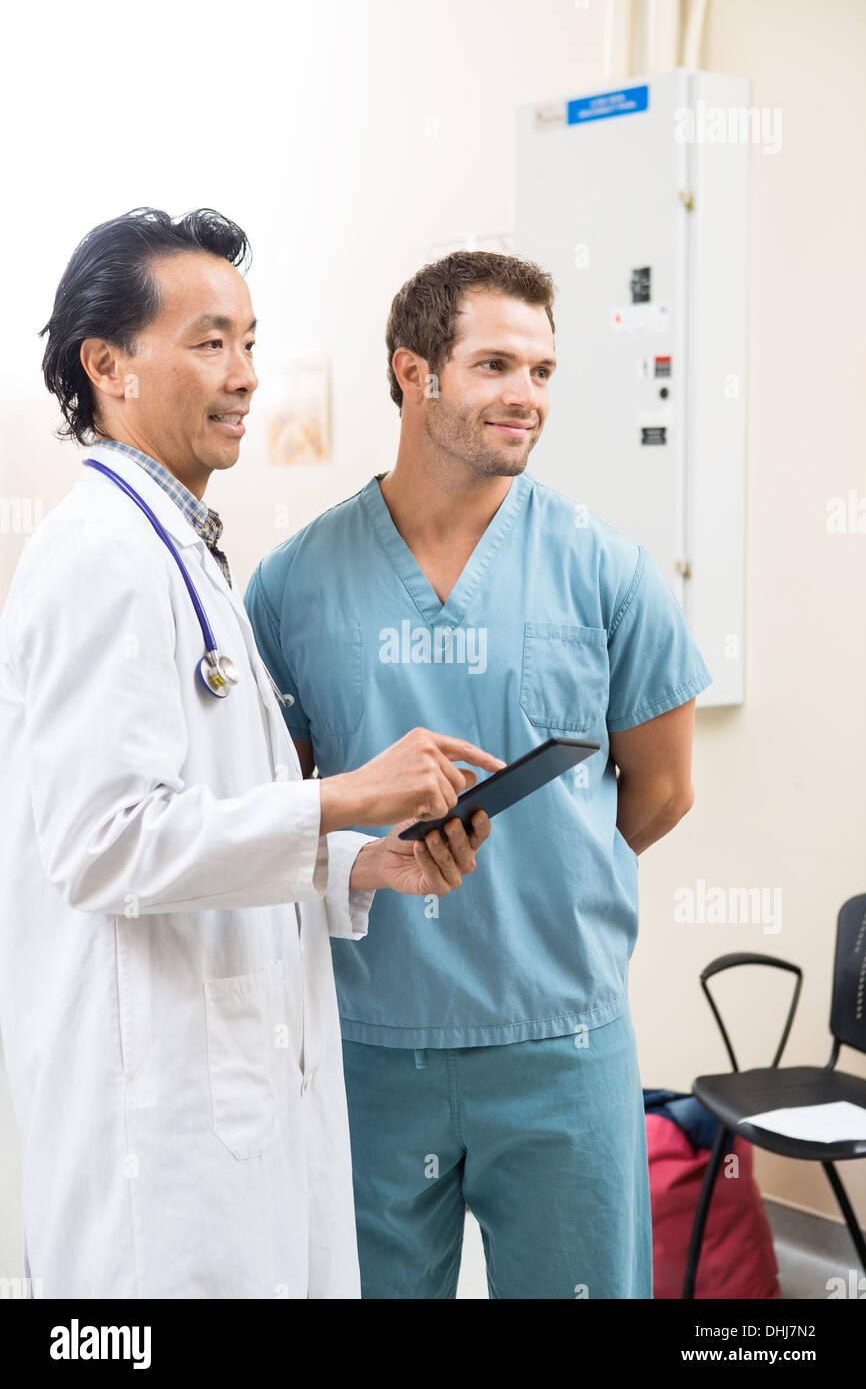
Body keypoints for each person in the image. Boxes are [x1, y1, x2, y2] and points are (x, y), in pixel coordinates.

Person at [0, 210, 500, 1300]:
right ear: (108, 366)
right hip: (157, 1136)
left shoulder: (180, 548)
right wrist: (337, 799)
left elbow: (208, 820)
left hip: (228, 1109)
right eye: (208, 341)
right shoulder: (100, 557)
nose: (243, 375)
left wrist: (360, 859)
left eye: (251, 341)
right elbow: (101, 845)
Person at [245, 250, 714, 1299]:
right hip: (369, 1040)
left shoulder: (605, 567)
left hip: (559, 1042)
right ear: (412, 373)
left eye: (542, 372)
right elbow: (280, 812)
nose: (526, 397)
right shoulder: (293, 583)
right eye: (495, 365)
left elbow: (664, 787)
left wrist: (543, 875)